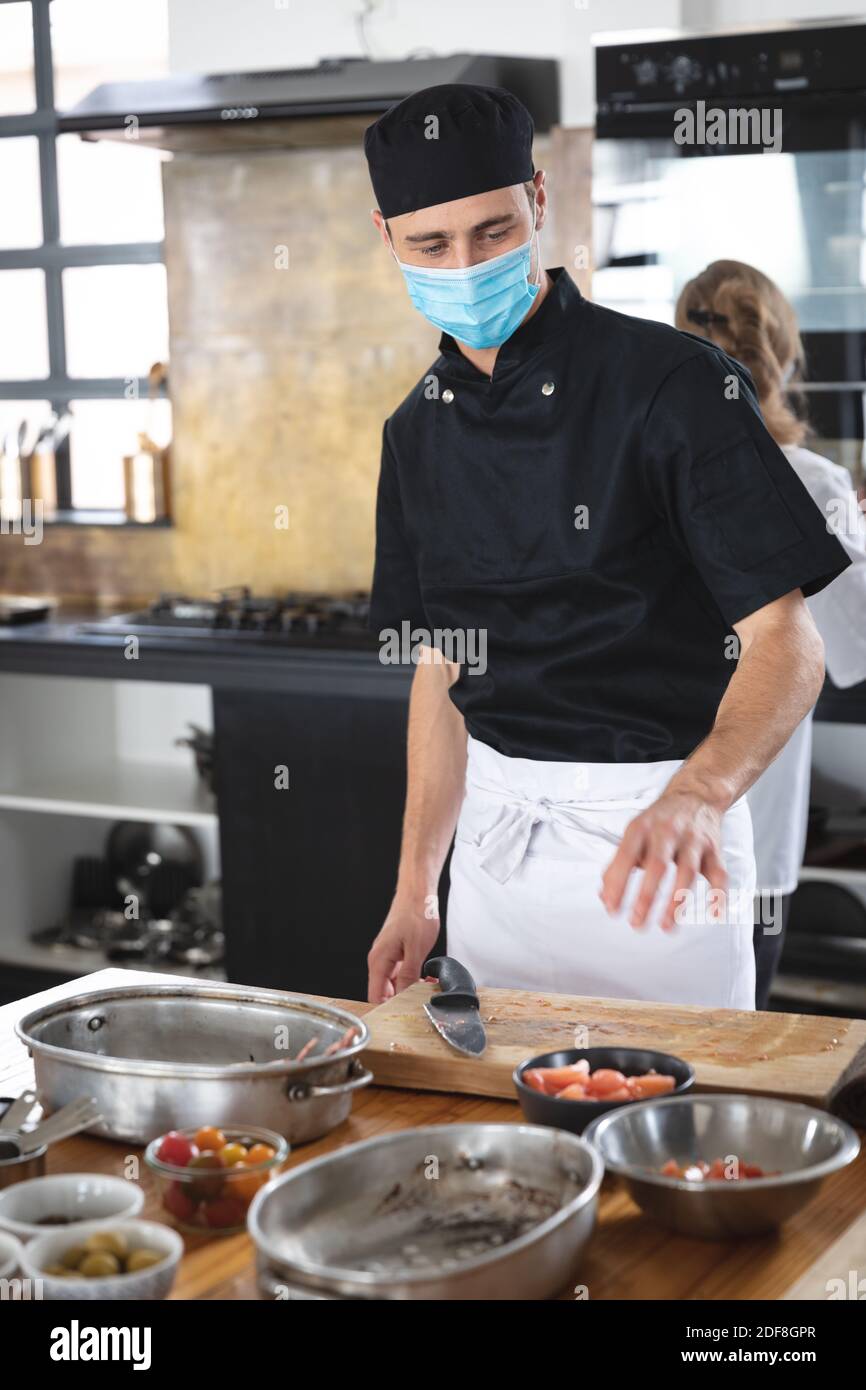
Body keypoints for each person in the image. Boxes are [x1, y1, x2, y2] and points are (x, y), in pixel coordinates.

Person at [362, 83, 850, 1009]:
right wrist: (417, 886)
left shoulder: (676, 386)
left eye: (493, 232)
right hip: (496, 866)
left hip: (663, 853)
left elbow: (789, 642)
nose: (466, 265)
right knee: (503, 1103)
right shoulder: (414, 432)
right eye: (431, 245)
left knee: (674, 1098)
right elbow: (441, 672)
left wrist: (701, 794)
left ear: (538, 201)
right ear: (387, 238)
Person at [676, 260, 866, 1007]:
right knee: (737, 1036)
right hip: (750, 827)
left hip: (645, 826)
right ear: (783, 358)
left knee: (651, 1041)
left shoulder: (649, 469)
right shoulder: (812, 483)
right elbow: (853, 650)